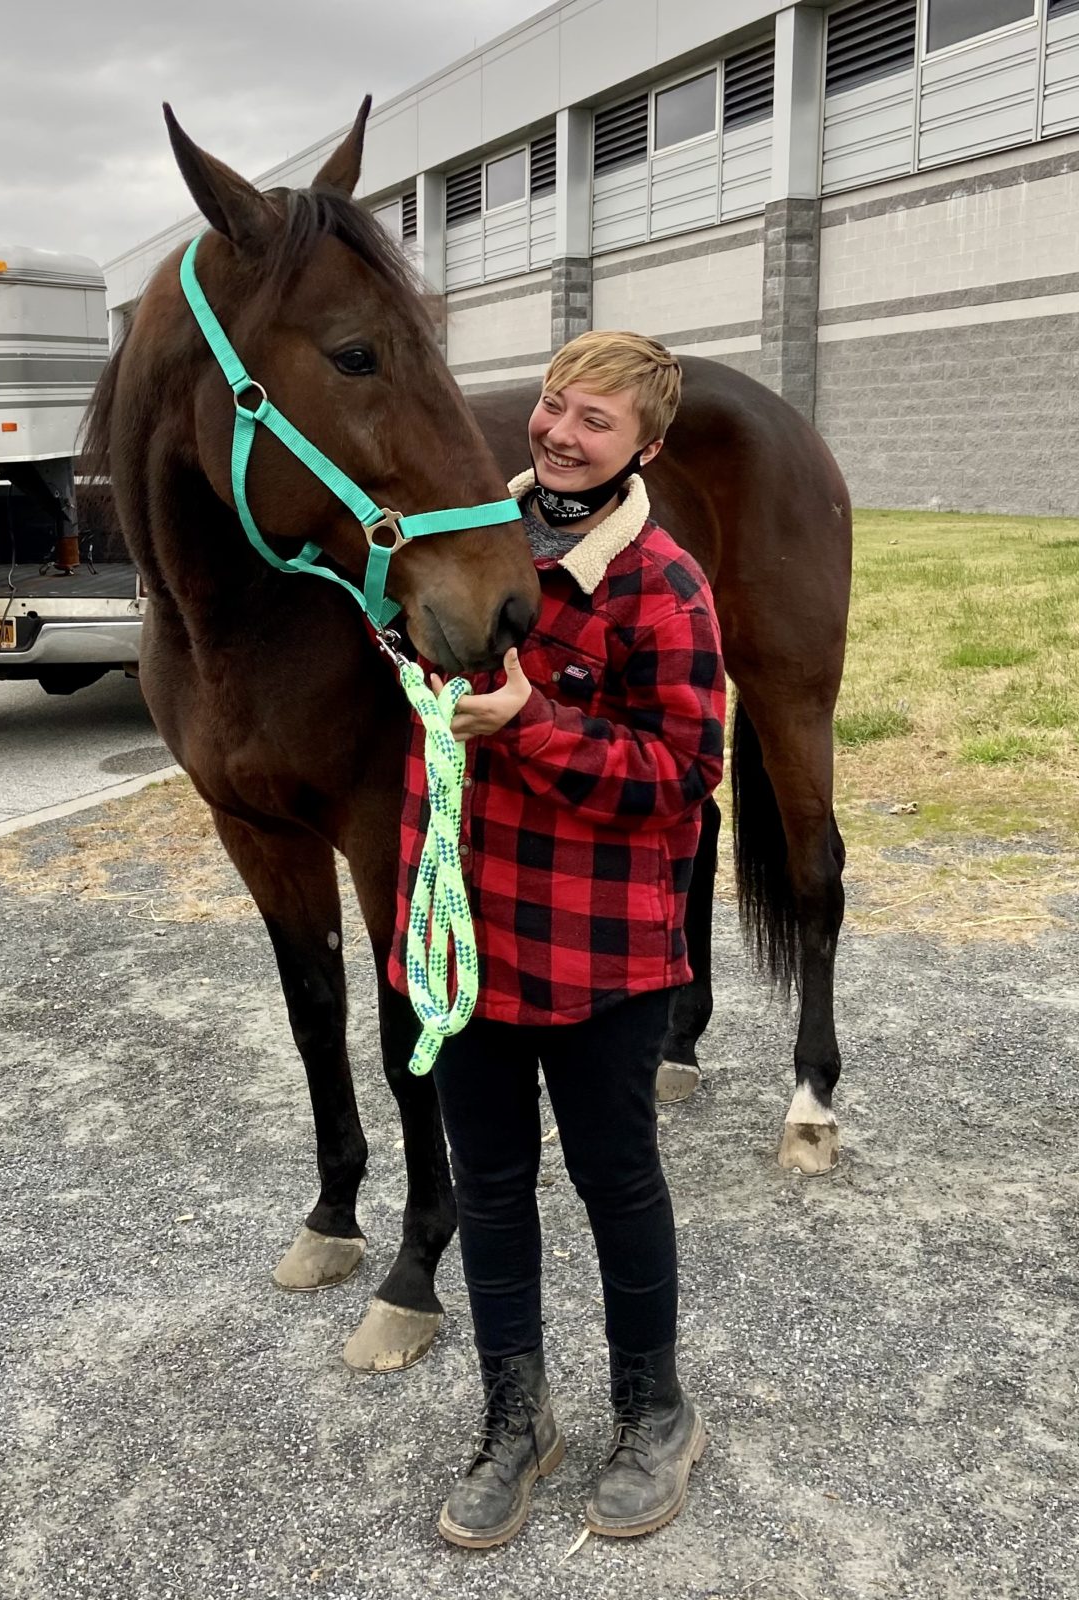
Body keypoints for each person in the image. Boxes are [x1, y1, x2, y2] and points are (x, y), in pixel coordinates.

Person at [389, 330, 726, 1548]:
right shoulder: (464, 534)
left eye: (594, 420)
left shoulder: (666, 585)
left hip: (600, 956)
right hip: (465, 941)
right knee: (489, 1186)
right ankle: (515, 1415)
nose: (559, 432)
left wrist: (532, 722)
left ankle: (655, 1409)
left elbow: (684, 777)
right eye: (551, 404)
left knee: (615, 1179)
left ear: (645, 445)